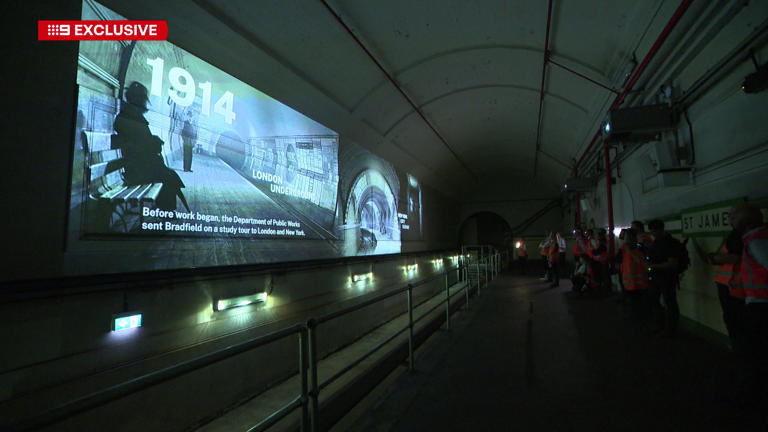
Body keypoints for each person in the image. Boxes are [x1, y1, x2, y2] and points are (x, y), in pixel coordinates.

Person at [113, 82, 189, 211]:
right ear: (139, 99)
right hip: (137, 169)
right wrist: (155, 142)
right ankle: (167, 212)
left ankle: (166, 211)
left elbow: (140, 141)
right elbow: (142, 143)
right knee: (168, 177)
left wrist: (152, 141)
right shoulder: (132, 117)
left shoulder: (128, 115)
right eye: (143, 98)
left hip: (136, 165)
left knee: (168, 175)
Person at [707, 228, 746, 353]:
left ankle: (740, 349)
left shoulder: (739, 235)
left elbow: (733, 258)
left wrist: (714, 258)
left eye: (733, 216)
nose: (730, 219)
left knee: (734, 320)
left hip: (733, 285)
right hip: (732, 284)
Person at [647, 219, 681, 337]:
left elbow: (672, 263)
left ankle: (670, 329)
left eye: (654, 231)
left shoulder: (670, 243)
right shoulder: (658, 242)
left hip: (667, 277)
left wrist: (652, 266)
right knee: (658, 300)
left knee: (669, 302)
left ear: (660, 230)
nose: (652, 233)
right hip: (659, 276)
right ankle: (662, 326)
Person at [616, 229, 650, 319]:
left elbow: (618, 261)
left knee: (633, 301)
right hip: (642, 280)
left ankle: (635, 316)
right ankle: (642, 316)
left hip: (629, 281)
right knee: (640, 301)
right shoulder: (641, 247)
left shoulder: (623, 248)